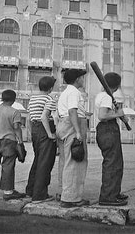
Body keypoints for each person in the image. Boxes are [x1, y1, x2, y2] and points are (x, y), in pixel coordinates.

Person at [95, 72, 129, 206]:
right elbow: (102, 116)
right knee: (112, 164)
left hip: (106, 130)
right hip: (108, 129)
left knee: (115, 163)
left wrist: (117, 113)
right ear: (118, 85)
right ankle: (108, 197)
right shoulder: (107, 97)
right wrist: (118, 113)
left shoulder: (102, 95)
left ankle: (113, 192)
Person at [56, 69, 89, 208]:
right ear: (77, 79)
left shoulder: (65, 92)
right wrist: (78, 132)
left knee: (65, 160)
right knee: (75, 161)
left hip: (64, 124)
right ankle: (71, 198)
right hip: (72, 125)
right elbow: (72, 111)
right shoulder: (74, 92)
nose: (83, 80)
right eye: (82, 77)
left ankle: (64, 192)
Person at [26, 76, 57, 203]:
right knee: (45, 162)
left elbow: (28, 118)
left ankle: (30, 190)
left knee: (38, 160)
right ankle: (39, 195)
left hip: (35, 129)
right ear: (50, 88)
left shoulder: (33, 98)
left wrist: (31, 132)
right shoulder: (49, 98)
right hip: (45, 129)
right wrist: (50, 133)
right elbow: (45, 117)